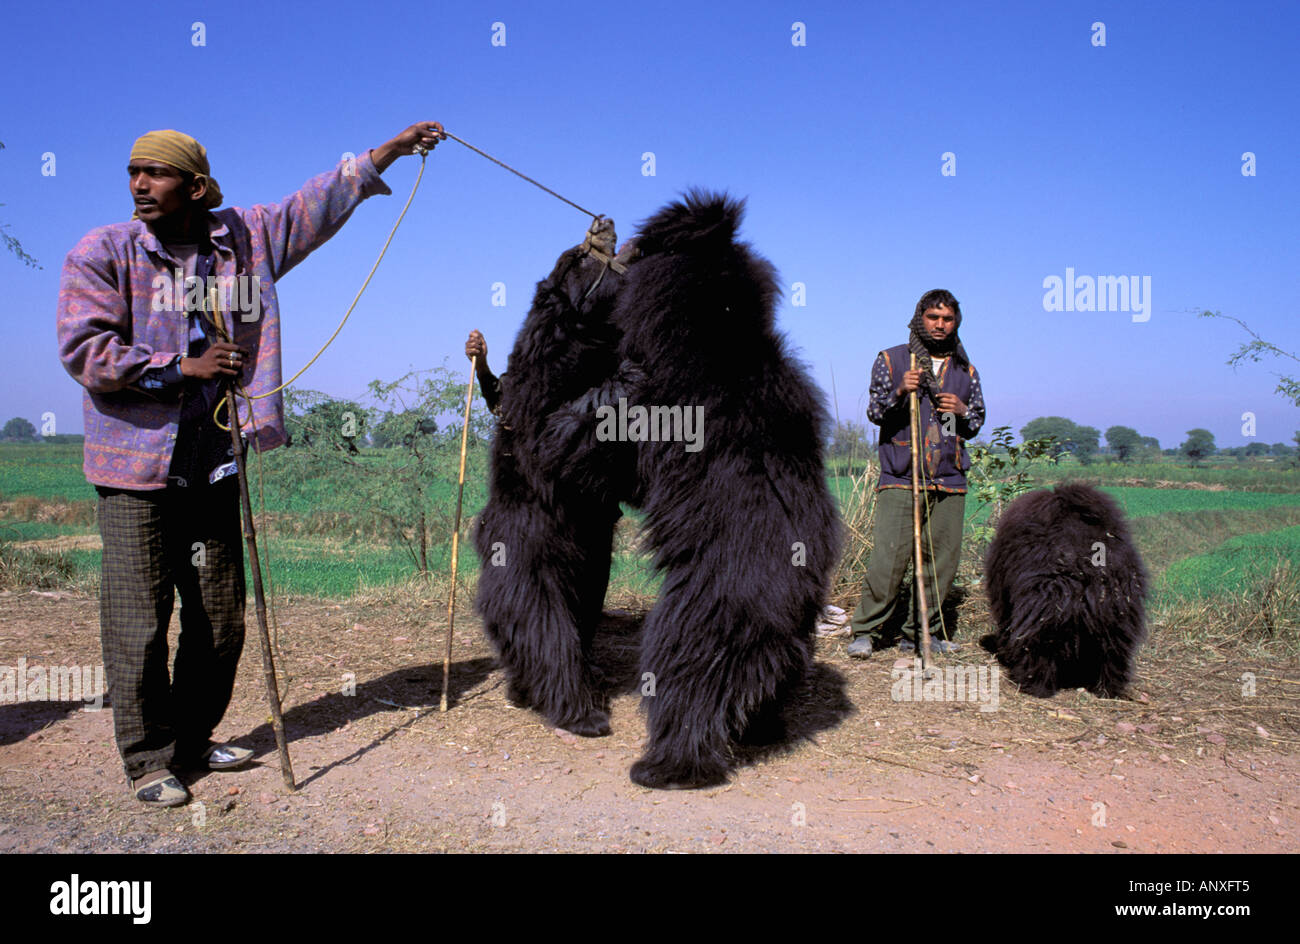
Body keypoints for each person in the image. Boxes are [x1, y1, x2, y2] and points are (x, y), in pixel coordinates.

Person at [57, 121, 445, 807]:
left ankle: (190, 738)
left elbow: (313, 205)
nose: (139, 185)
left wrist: (388, 150)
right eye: (133, 172)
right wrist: (181, 367)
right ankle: (148, 760)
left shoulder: (244, 238)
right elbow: (84, 350)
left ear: (197, 187)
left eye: (156, 173)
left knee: (219, 617)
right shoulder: (105, 252)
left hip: (215, 463)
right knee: (138, 622)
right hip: (135, 473)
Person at [846, 289, 986, 658]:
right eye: (933, 318)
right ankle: (867, 631)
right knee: (889, 559)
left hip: (948, 477)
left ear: (956, 322)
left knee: (941, 563)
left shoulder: (964, 371)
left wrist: (960, 411)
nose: (940, 325)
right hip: (901, 474)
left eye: (948, 319)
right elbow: (876, 413)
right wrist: (899, 391)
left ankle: (923, 632)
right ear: (919, 318)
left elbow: (971, 426)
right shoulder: (893, 360)